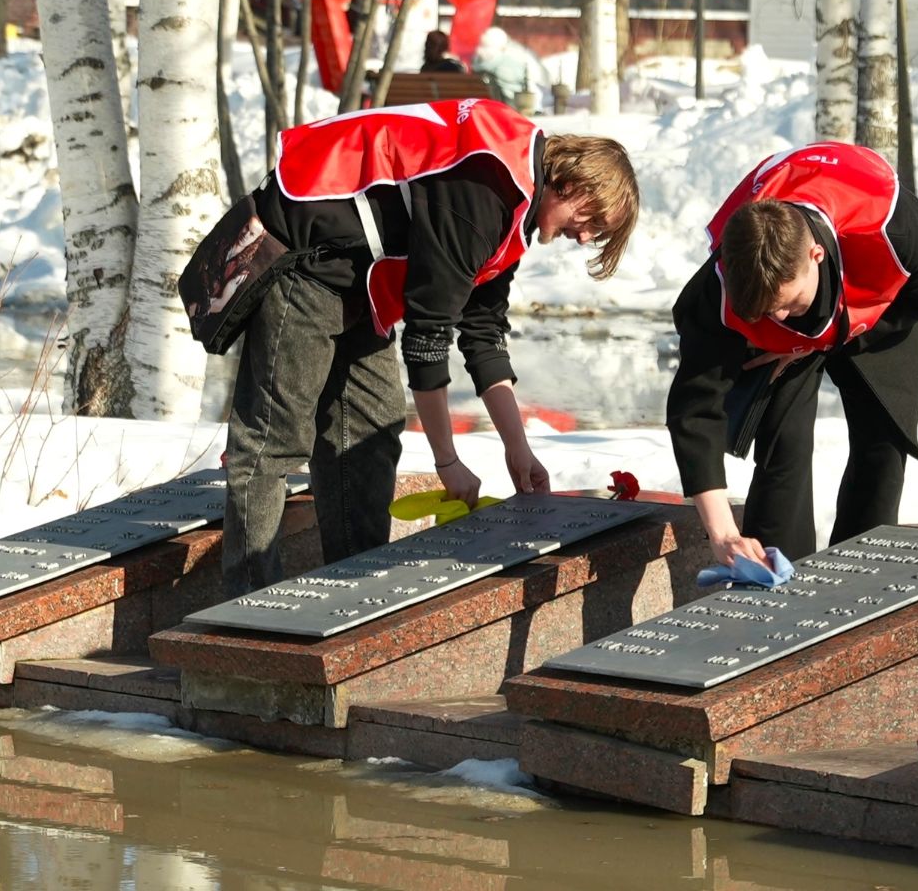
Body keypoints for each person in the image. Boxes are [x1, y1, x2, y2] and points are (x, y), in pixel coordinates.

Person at [188, 98, 640, 596]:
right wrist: (447, 460)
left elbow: (483, 331)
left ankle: (345, 591)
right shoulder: (486, 188)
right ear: (574, 185)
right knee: (275, 440)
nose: (584, 237)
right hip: (307, 258)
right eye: (592, 220)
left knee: (373, 426)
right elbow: (428, 339)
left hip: (358, 281)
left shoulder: (514, 198)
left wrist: (519, 450)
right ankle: (247, 606)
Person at [666, 141, 918, 568]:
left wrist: (828, 336)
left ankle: (862, 573)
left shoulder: (895, 231)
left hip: (874, 300)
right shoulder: (717, 290)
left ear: (815, 257)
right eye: (768, 312)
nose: (781, 316)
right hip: (787, 313)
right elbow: (694, 410)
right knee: (783, 443)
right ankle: (775, 573)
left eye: (788, 305)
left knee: (882, 444)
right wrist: (723, 534)